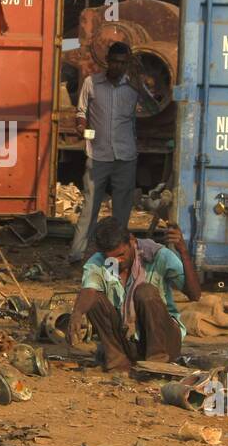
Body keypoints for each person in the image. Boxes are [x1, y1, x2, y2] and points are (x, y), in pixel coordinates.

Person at [69, 219, 189, 373]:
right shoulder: (98, 263)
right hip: (129, 342)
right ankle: (118, 363)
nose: (117, 261)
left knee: (145, 292)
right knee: (94, 300)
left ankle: (157, 364)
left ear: (132, 240)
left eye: (121, 255)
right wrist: (77, 313)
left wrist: (183, 252)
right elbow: (89, 290)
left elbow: (194, 293)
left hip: (165, 341)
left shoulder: (158, 255)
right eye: (111, 258)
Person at [69, 41, 145, 263]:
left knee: (121, 211)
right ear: (107, 61)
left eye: (123, 63)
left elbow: (150, 108)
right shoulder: (92, 83)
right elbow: (81, 110)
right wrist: (81, 126)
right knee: (90, 207)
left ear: (127, 64)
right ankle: (77, 254)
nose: (118, 67)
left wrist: (140, 81)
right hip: (98, 155)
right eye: (115, 62)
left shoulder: (133, 88)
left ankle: (117, 257)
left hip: (126, 155)